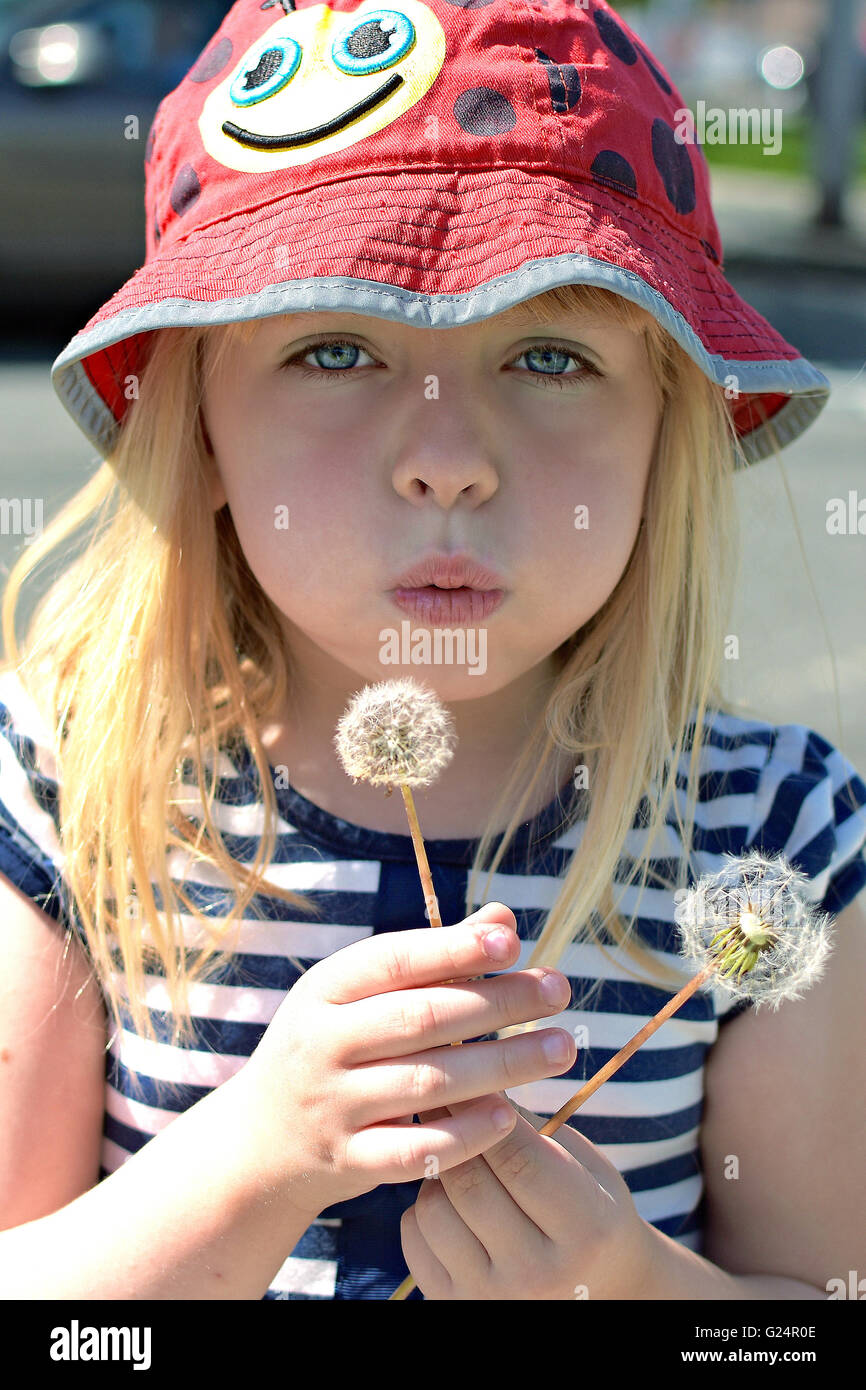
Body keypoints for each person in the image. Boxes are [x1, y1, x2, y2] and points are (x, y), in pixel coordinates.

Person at [0, 0, 864, 1301]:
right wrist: (246, 1166)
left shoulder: (771, 836)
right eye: (334, 348)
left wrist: (633, 1287)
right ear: (198, 428)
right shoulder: (77, 792)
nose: (448, 459)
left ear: (662, 433)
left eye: (550, 354)